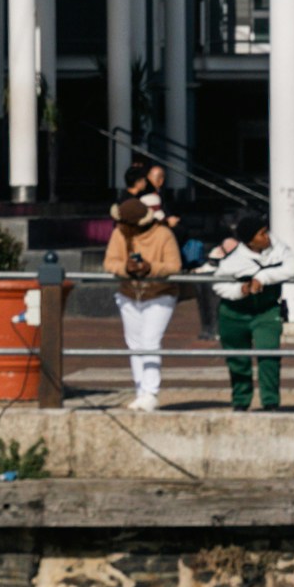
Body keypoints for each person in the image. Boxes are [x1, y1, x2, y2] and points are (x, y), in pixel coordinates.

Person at [105, 172, 187, 412]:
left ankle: (150, 392)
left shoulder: (163, 234)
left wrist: (150, 268)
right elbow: (110, 261)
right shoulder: (120, 234)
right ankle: (140, 390)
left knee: (151, 340)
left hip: (160, 293)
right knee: (134, 343)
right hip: (129, 292)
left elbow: (174, 266)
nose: (119, 225)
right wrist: (125, 268)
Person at [199, 208, 290, 411]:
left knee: (268, 355)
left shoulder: (277, 248)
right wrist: (243, 289)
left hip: (266, 310)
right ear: (250, 241)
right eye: (261, 234)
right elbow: (219, 285)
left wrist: (263, 278)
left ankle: (270, 402)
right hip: (234, 313)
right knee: (237, 359)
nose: (267, 236)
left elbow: (293, 268)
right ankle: (241, 401)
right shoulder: (233, 260)